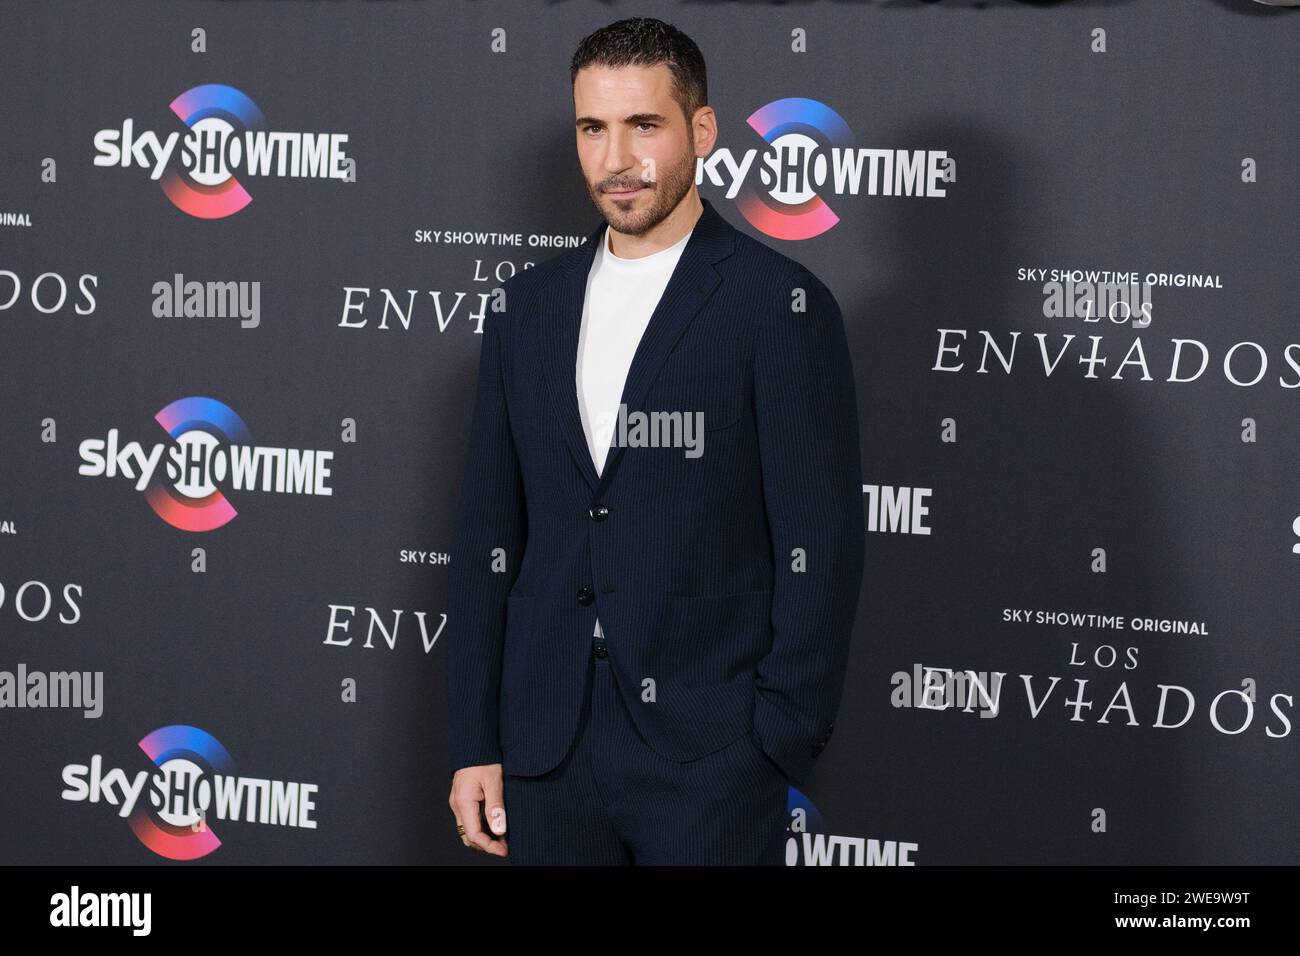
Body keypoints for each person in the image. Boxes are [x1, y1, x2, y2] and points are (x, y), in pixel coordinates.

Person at [444, 16, 864, 865]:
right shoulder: (527, 309)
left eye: (644, 125)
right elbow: (488, 532)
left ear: (701, 131)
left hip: (709, 759)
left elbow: (822, 545)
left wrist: (772, 742)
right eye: (592, 129)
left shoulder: (777, 305)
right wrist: (474, 739)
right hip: (545, 750)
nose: (615, 159)